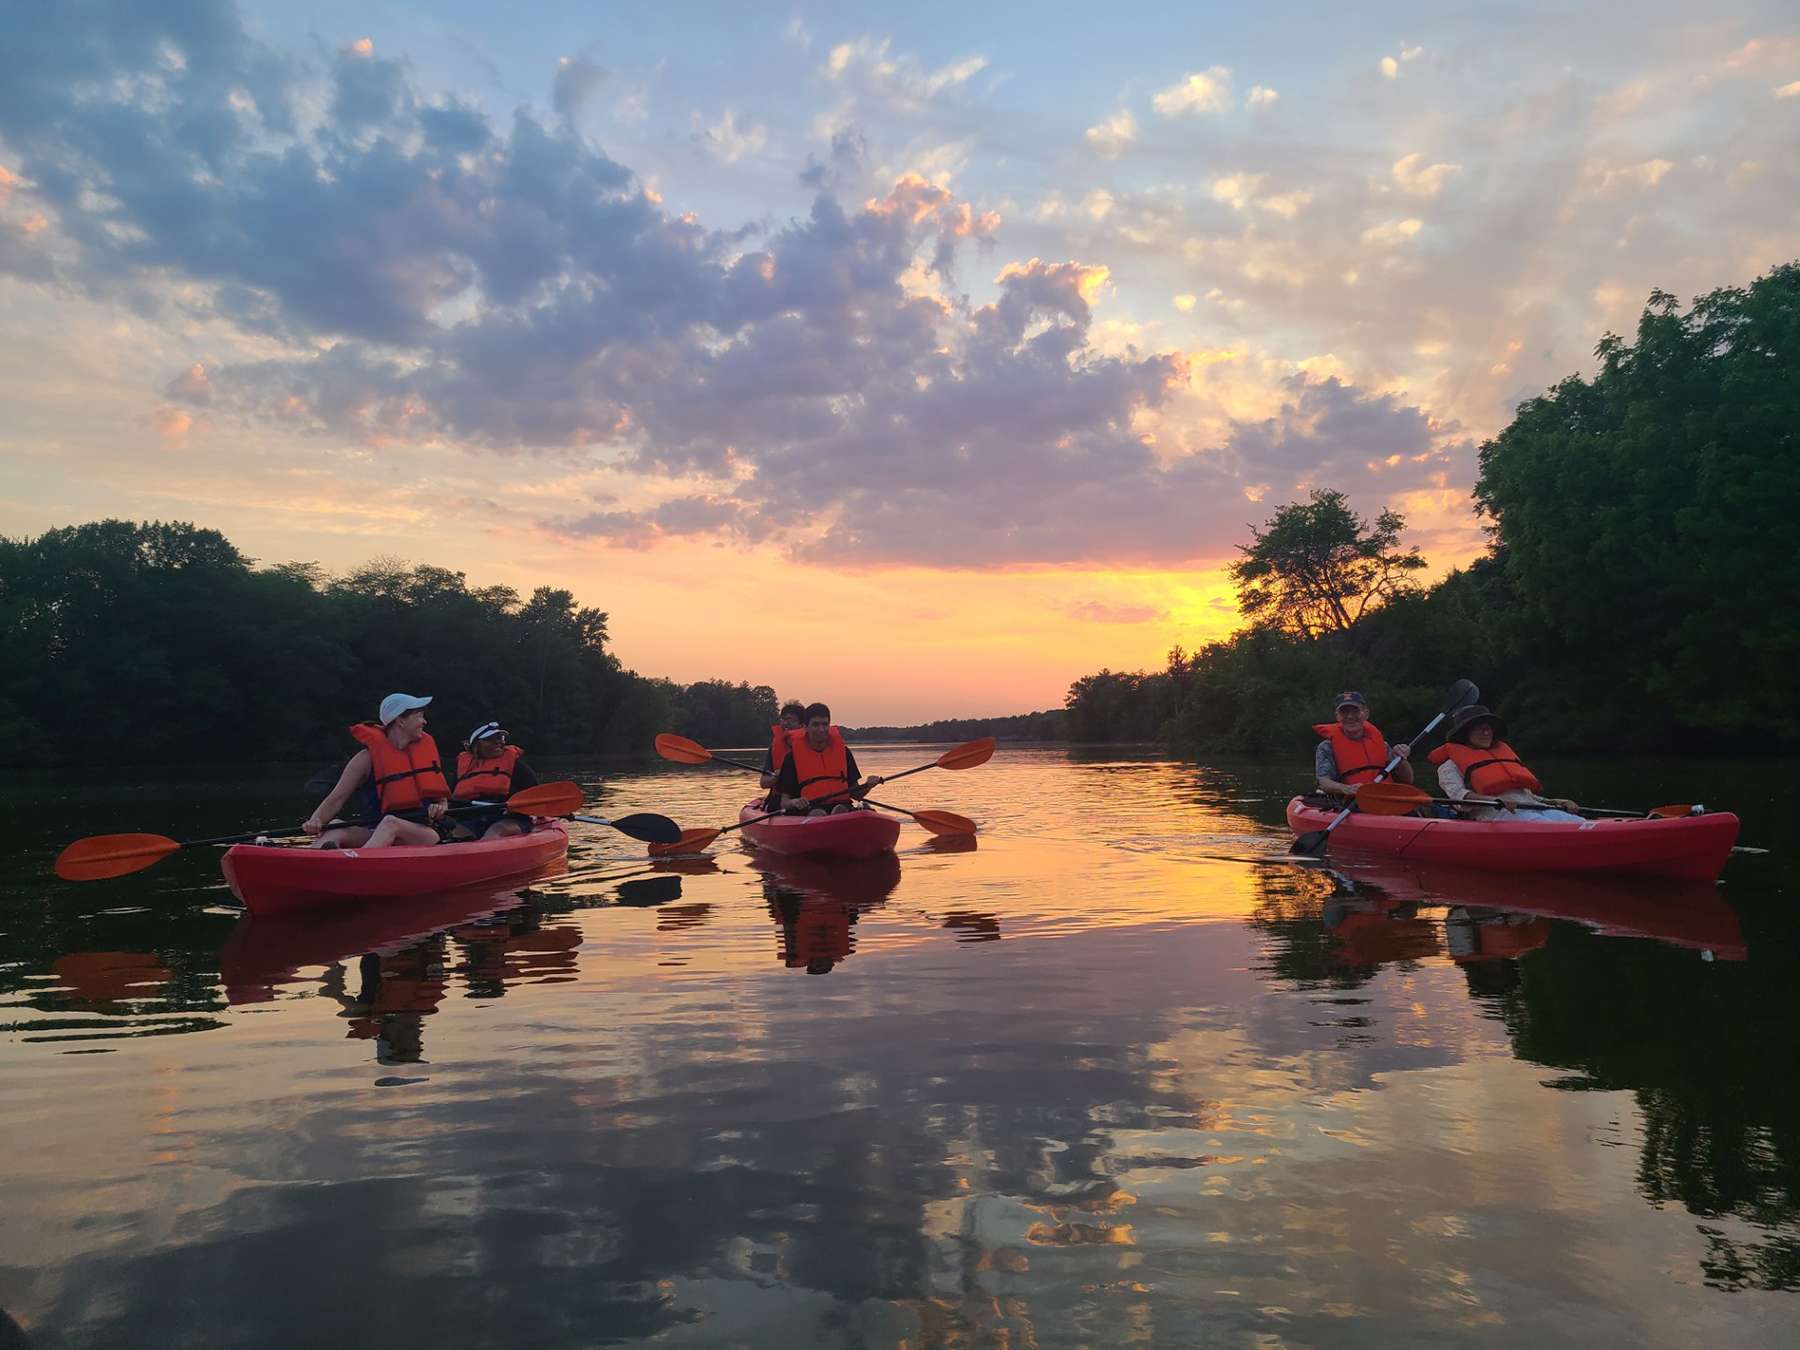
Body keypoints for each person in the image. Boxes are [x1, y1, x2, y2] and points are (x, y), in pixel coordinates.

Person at [303, 693, 451, 849]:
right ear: (401, 721)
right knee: (336, 826)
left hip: (423, 833)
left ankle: (358, 866)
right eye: (419, 716)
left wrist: (440, 808)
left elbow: (442, 801)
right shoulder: (365, 759)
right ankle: (308, 862)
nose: (424, 722)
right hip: (374, 832)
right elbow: (337, 798)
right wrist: (316, 820)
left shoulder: (425, 754)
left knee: (390, 823)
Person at [1426, 704, 1584, 822]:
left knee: (1578, 823)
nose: (1486, 733)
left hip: (1533, 808)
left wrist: (1555, 801)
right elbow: (1458, 798)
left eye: (1489, 729)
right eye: (1480, 729)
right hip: (1494, 815)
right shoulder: (1449, 766)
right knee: (1548, 825)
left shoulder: (1501, 756)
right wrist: (1494, 801)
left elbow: (1525, 796)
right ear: (1464, 733)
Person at [772, 703, 886, 815]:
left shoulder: (844, 752)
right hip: (808, 810)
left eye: (825, 724)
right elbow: (784, 802)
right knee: (818, 813)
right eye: (816, 724)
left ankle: (840, 815)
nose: (821, 729)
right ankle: (834, 818)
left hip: (842, 806)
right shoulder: (792, 758)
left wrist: (868, 785)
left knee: (861, 808)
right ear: (806, 727)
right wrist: (794, 802)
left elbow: (856, 794)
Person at [450, 721, 539, 839]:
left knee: (496, 831)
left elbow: (535, 795)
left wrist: (518, 808)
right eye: (489, 739)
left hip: (510, 819)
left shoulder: (517, 766)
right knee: (454, 834)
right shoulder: (462, 769)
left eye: (500, 737)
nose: (498, 742)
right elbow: (451, 800)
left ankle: (482, 852)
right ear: (475, 745)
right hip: (473, 819)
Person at [1314, 690, 1412, 797]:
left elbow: (1407, 780)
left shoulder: (1383, 746)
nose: (1350, 716)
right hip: (1351, 802)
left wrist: (1402, 760)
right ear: (1337, 717)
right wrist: (1345, 788)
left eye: (1355, 711)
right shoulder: (1327, 747)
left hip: (1386, 799)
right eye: (1344, 712)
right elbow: (1324, 782)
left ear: (1366, 714)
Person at [760, 702, 808, 791]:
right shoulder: (774, 747)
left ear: (802, 725)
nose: (785, 723)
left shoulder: (812, 745)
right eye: (783, 719)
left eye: (790, 719)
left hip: (806, 796)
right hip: (780, 798)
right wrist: (778, 777)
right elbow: (764, 783)